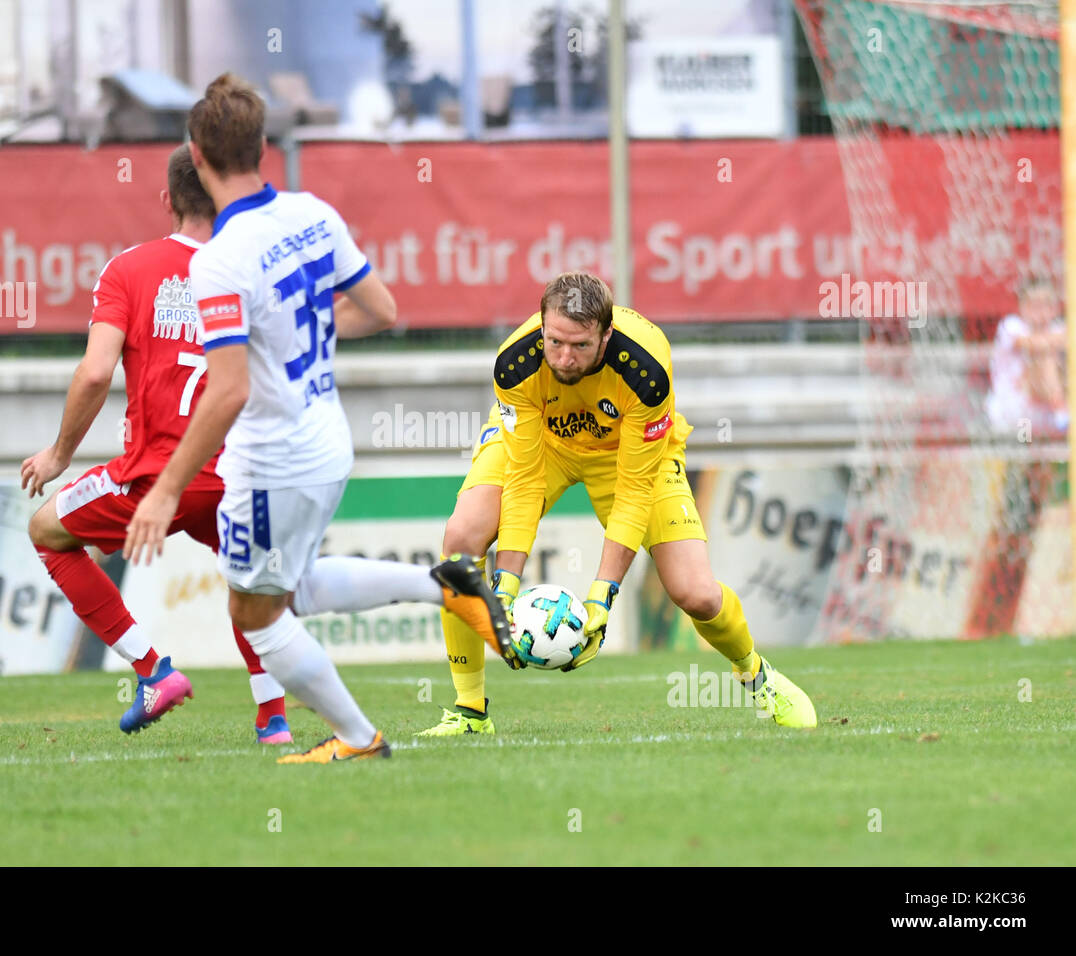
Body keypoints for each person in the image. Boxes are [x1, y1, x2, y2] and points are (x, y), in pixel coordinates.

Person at [123, 74, 513, 764]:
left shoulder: (217, 261)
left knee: (256, 612)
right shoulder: (313, 214)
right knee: (292, 586)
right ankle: (443, 585)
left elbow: (229, 391)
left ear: (197, 156)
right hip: (329, 441)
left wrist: (162, 491)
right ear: (264, 147)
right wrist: (294, 331)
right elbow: (384, 311)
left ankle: (360, 739)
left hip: (274, 460)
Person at [418, 271, 818, 736]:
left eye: (581, 346)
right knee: (461, 538)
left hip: (625, 458)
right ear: (542, 327)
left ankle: (755, 674)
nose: (564, 358)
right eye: (555, 342)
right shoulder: (516, 363)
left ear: (606, 335)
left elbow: (633, 492)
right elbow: (524, 481)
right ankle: (470, 712)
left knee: (696, 593)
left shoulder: (646, 368)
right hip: (546, 445)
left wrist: (600, 599)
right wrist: (504, 588)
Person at [22, 145, 293, 742]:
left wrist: (59, 454)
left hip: (154, 478)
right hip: (234, 474)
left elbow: (94, 373)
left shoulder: (130, 269)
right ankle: (272, 717)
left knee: (46, 530)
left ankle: (153, 670)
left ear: (167, 199)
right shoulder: (250, 270)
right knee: (250, 583)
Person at [985, 279, 1067, 436]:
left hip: (1043, 410)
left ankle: (1061, 412)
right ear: (1022, 307)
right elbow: (1033, 344)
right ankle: (1061, 410)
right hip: (1013, 409)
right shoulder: (1012, 325)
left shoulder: (1058, 327)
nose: (1041, 311)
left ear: (1055, 308)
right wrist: (1063, 339)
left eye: (1046, 305)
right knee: (1043, 354)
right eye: (1034, 306)